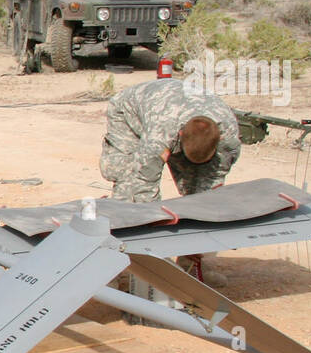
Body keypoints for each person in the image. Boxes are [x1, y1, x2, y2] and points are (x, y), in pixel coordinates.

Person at [99, 76, 242, 285]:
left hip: (175, 113)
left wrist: (200, 218)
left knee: (204, 197)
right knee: (128, 188)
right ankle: (119, 269)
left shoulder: (228, 136)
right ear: (180, 136)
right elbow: (144, 187)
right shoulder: (160, 136)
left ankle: (191, 266)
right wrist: (155, 245)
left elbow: (213, 185)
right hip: (131, 112)